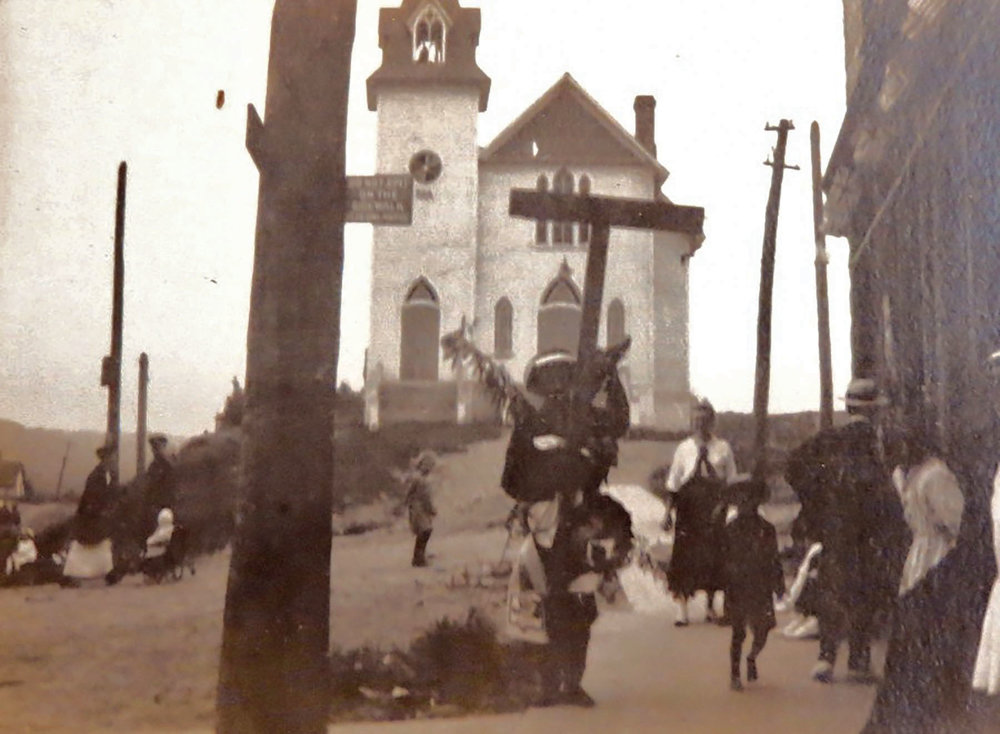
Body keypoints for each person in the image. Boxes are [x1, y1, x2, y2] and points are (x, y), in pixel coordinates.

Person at [785, 377, 908, 684]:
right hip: (868, 530)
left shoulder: (828, 440)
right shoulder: (875, 443)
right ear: (875, 411)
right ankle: (858, 659)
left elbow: (793, 467)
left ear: (849, 406)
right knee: (864, 591)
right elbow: (883, 491)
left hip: (836, 527)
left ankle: (826, 658)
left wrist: (816, 505)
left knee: (833, 590)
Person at [539, 493, 633, 707]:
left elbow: (616, 538)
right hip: (559, 580)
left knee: (575, 633)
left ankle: (567, 686)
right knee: (558, 633)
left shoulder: (593, 508)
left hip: (577, 582)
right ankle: (556, 686)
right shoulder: (550, 511)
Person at [661, 397, 737, 626]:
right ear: (692, 423)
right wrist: (667, 513)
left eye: (705, 421)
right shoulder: (683, 449)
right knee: (684, 556)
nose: (700, 425)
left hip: (714, 509)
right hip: (688, 510)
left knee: (714, 557)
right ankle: (681, 609)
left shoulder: (723, 448)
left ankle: (711, 607)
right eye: (697, 421)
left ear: (712, 422)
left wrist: (732, 510)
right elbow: (673, 484)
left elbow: (732, 480)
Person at [722, 476, 785, 691]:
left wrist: (779, 584)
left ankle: (752, 657)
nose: (745, 505)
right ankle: (734, 674)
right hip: (738, 585)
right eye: (741, 502)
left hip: (761, 584)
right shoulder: (730, 529)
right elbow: (721, 558)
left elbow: (774, 557)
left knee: (763, 630)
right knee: (738, 632)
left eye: (749, 501)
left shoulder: (767, 529)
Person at [890, 431, 963, 596]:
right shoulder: (905, 474)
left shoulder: (935, 474)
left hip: (938, 552)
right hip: (918, 553)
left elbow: (955, 522)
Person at [62, 444, 119, 587]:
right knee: (86, 546)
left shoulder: (108, 476)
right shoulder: (96, 476)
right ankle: (72, 575)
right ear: (105, 459)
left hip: (98, 517)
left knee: (101, 545)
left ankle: (107, 573)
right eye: (111, 458)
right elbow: (92, 498)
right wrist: (101, 510)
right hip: (91, 517)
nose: (113, 461)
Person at [404, 450, 437, 567]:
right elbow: (425, 497)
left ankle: (419, 556)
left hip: (417, 508)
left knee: (423, 532)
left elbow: (409, 493)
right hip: (419, 509)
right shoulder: (420, 480)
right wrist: (432, 509)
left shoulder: (417, 478)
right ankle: (418, 558)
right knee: (425, 531)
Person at [143, 433, 176, 534]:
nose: (155, 451)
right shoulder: (153, 466)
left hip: (168, 507)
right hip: (156, 508)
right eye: (154, 448)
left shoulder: (170, 465)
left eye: (158, 448)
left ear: (164, 447)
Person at [140, 507, 176, 580]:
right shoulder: (172, 528)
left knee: (146, 554)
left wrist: (150, 541)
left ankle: (152, 572)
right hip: (168, 548)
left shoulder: (164, 530)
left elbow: (159, 538)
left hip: (161, 549)